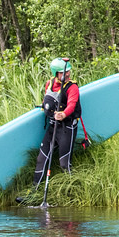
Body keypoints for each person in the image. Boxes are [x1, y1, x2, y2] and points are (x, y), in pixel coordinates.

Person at [33, 57, 81, 186]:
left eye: (68, 72)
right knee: (41, 159)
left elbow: (72, 104)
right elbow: (47, 100)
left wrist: (63, 114)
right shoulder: (49, 84)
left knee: (64, 164)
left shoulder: (72, 87)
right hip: (52, 127)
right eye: (63, 72)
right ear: (55, 73)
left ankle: (74, 191)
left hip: (67, 128)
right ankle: (33, 192)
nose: (67, 74)